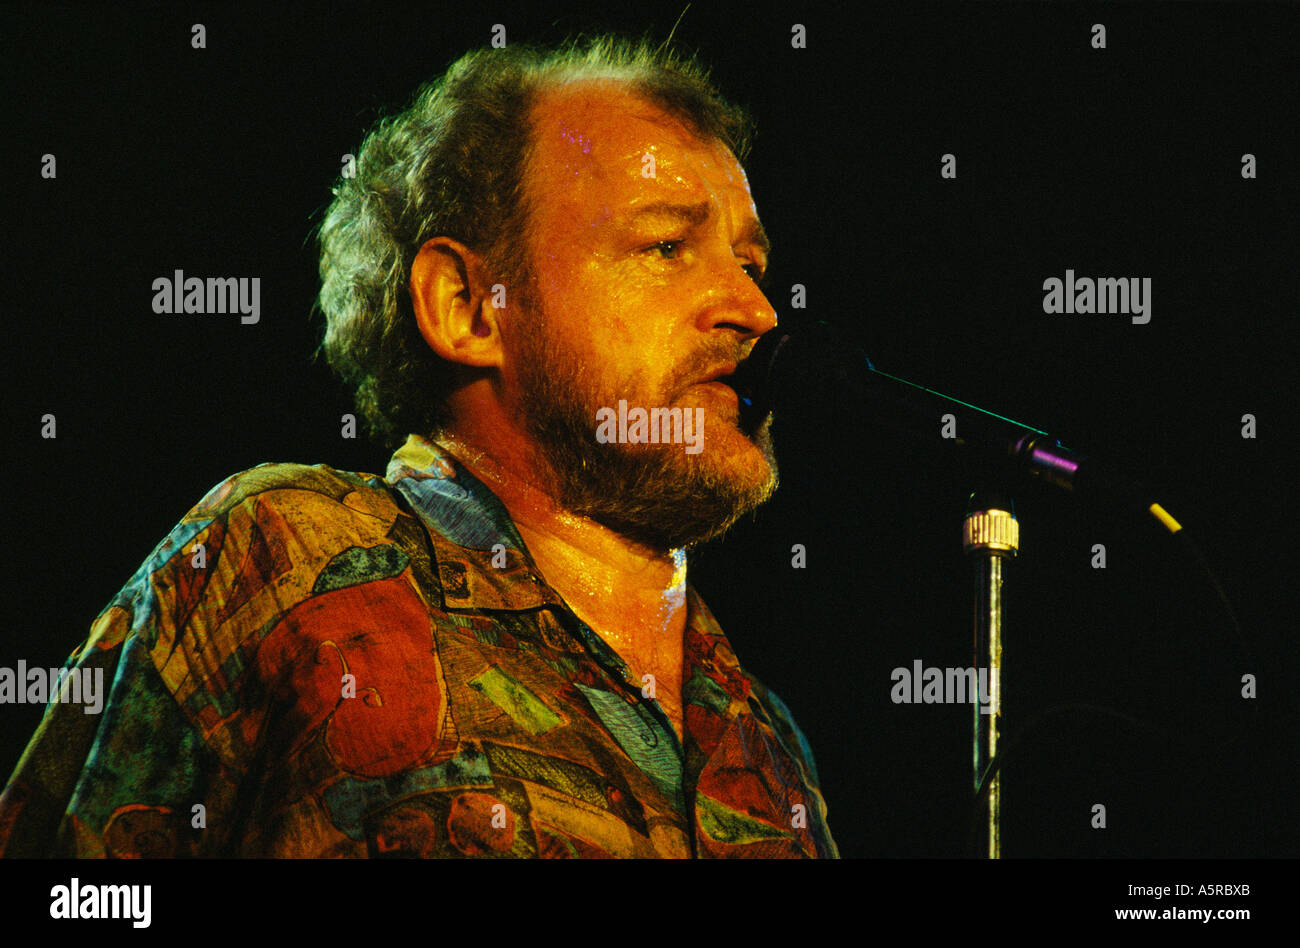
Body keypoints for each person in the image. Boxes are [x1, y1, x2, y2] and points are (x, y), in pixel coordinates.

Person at [0, 35, 837, 858]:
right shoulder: (285, 558)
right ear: (467, 305)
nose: (757, 312)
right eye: (665, 247)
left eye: (752, 264)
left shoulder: (767, 741)